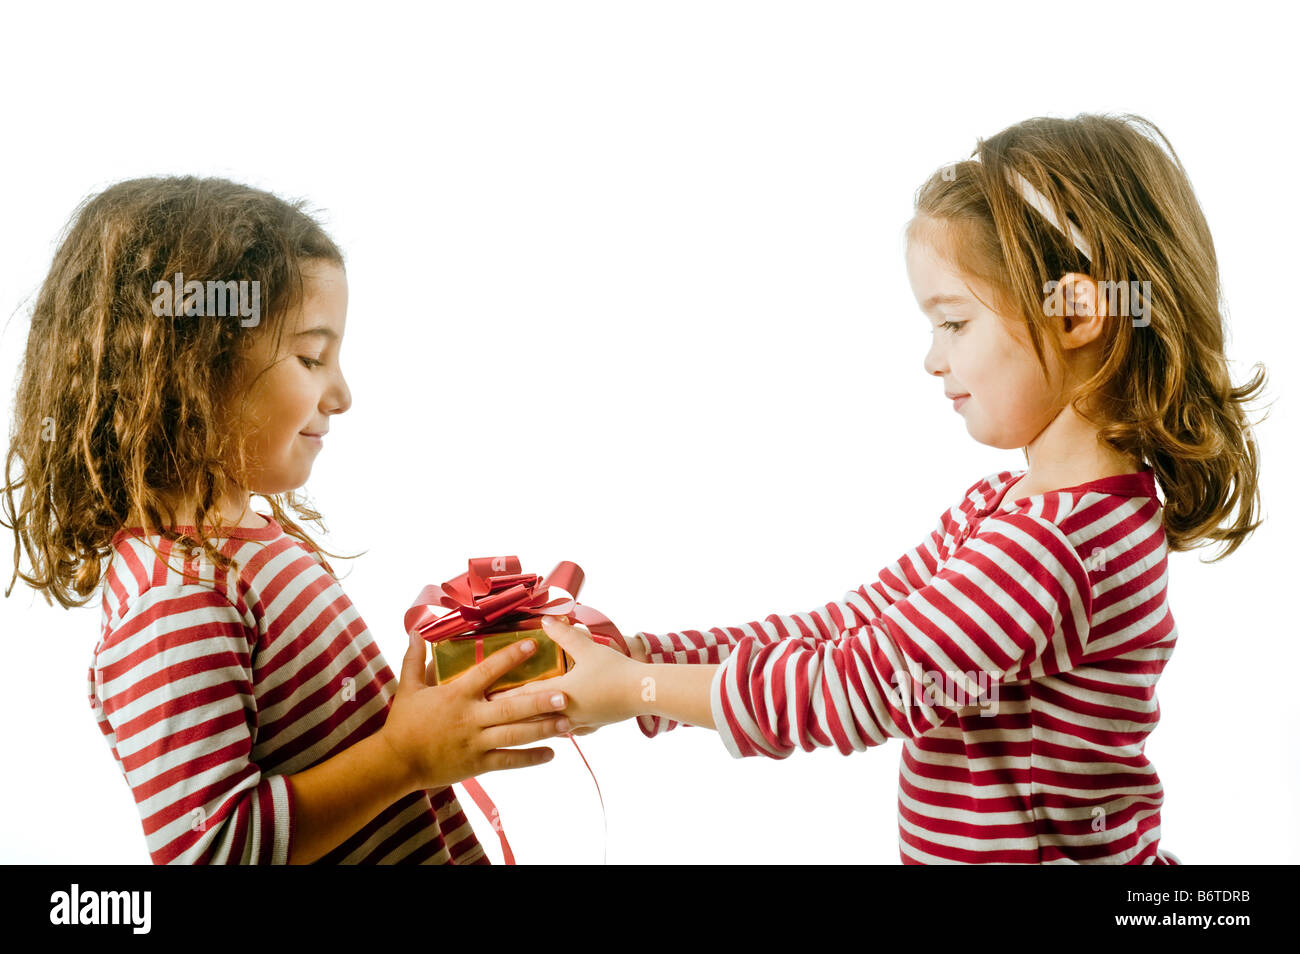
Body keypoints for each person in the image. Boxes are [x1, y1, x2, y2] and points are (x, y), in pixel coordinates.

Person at [513, 113, 1268, 864]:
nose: (933, 360)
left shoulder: (1057, 549)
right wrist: (644, 654)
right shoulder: (1009, 510)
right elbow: (849, 629)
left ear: (1077, 312)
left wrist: (636, 689)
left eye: (955, 323)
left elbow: (858, 688)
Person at [1, 176, 572, 864]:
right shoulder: (172, 596)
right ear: (189, 366)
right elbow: (210, 849)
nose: (343, 394)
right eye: (310, 357)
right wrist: (405, 757)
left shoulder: (246, 548)